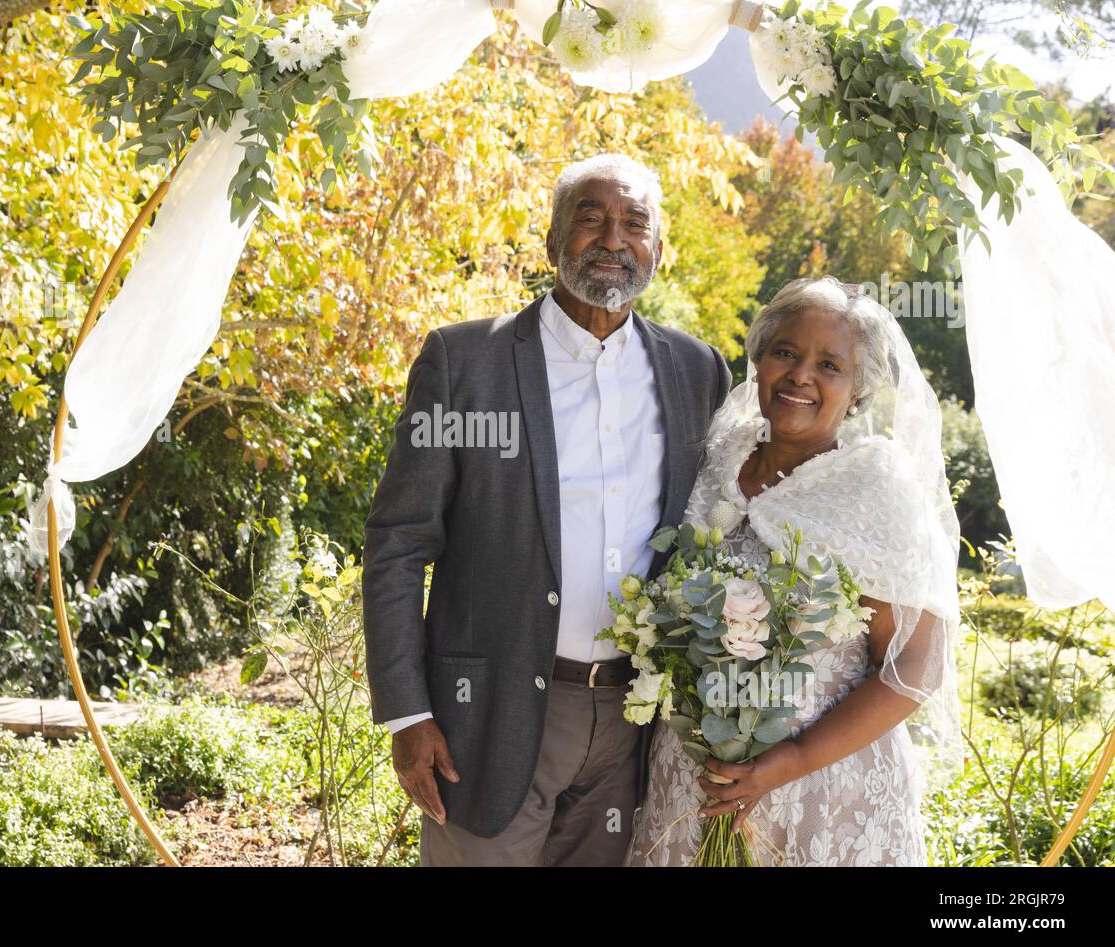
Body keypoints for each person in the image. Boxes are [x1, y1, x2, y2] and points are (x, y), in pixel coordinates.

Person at [361, 153, 731, 865]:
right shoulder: (464, 362)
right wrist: (409, 712)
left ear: (661, 245)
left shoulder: (698, 370)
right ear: (552, 239)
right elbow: (398, 545)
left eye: (634, 223)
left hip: (634, 723)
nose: (612, 239)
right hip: (488, 715)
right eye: (590, 217)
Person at [629, 276, 962, 866]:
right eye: (786, 352)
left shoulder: (876, 488)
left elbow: (915, 665)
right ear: (757, 360)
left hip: (826, 793)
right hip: (697, 779)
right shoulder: (711, 456)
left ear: (857, 390)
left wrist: (792, 760)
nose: (801, 375)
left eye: (830, 364)